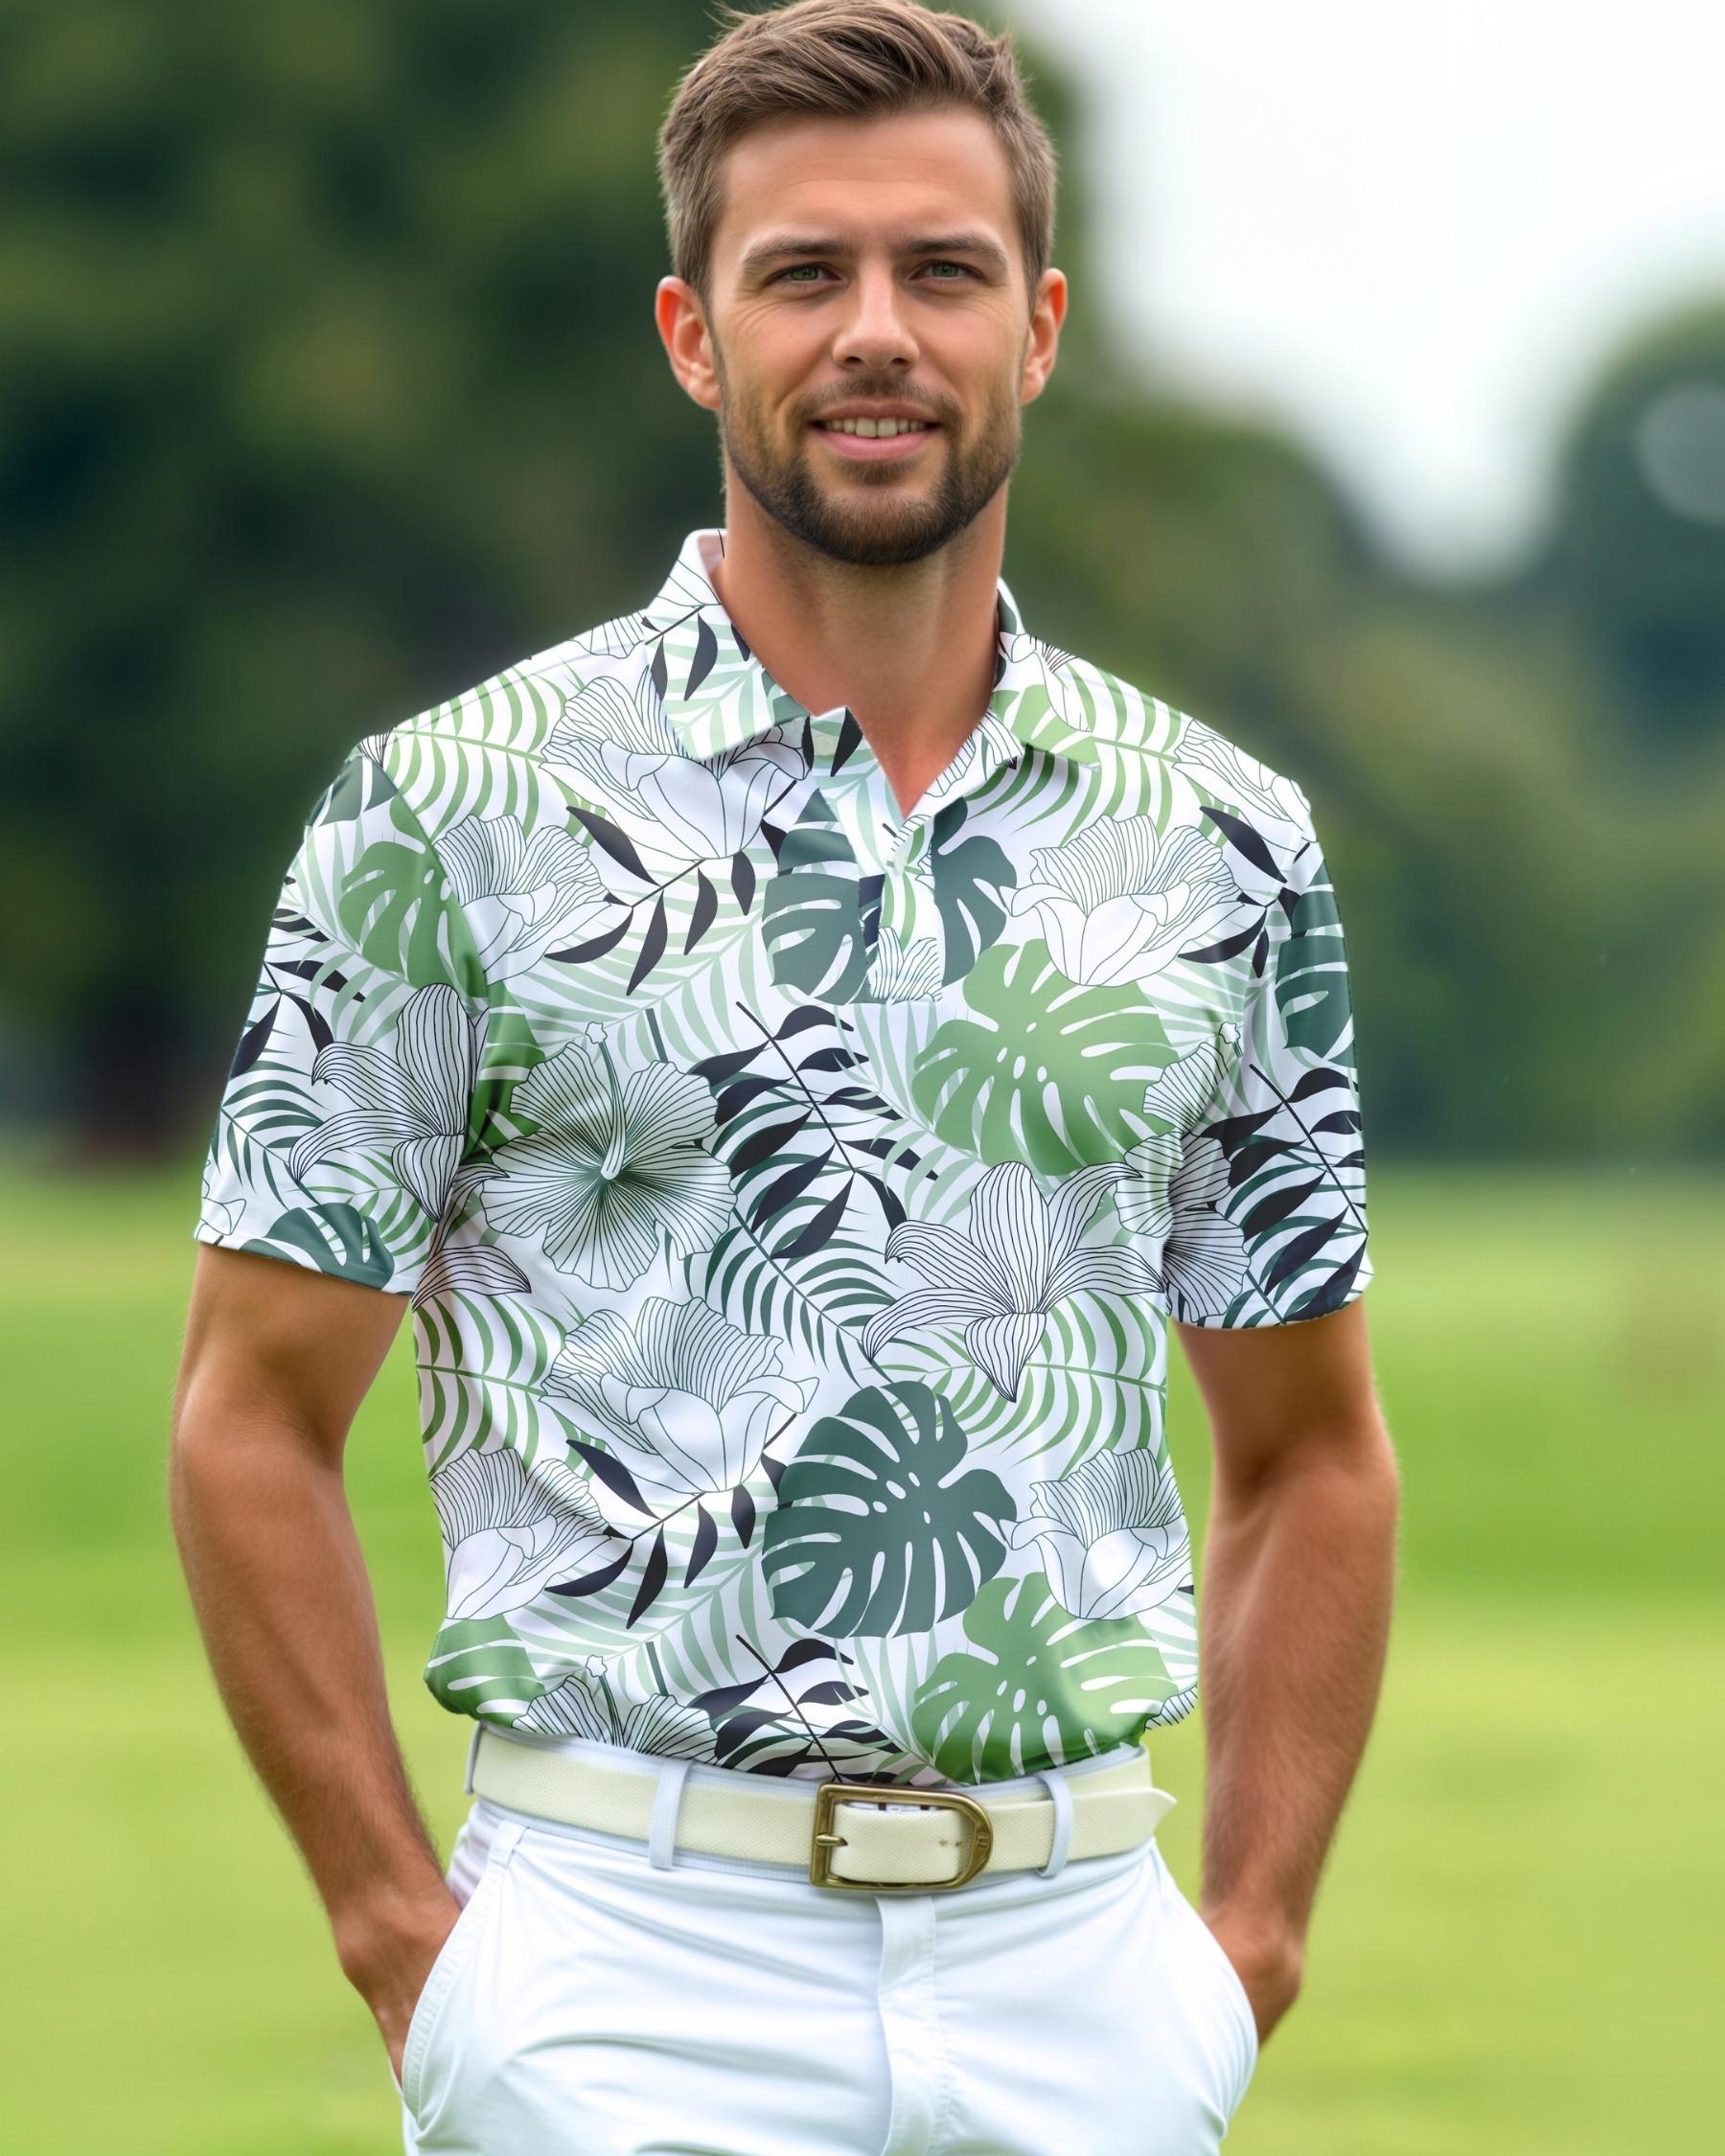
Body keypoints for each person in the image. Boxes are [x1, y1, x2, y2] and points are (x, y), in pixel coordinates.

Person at [170, 3, 1399, 2151]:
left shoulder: (1223, 842)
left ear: (1040, 326)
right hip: (620, 1967)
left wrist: (1245, 1951)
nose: (875, 335)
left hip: (1081, 1974)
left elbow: (1312, 1455)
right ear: (688, 331)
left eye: (940, 273)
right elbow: (250, 1419)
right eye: (801, 274)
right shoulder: (448, 812)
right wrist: (404, 1941)